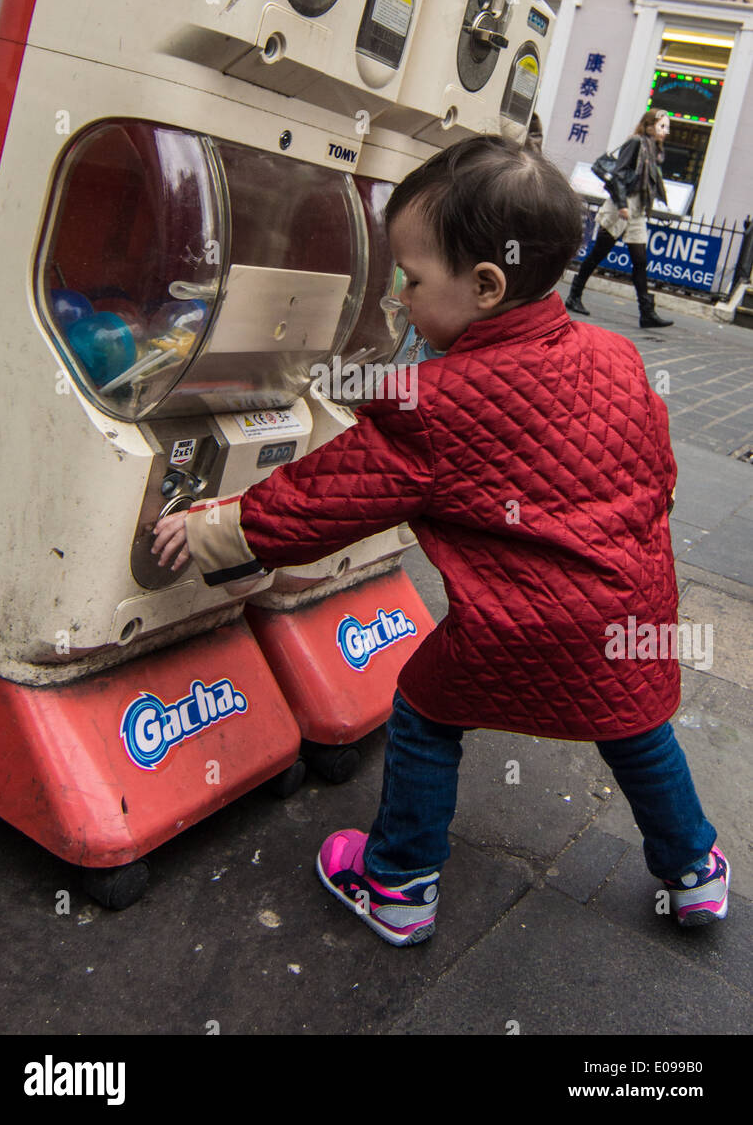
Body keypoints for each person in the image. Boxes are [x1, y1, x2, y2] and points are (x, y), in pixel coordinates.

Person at [152, 135, 728, 948]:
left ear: (485, 286)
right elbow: (656, 469)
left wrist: (214, 528)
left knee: (424, 713)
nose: (399, 297)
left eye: (411, 281)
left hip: (519, 628)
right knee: (633, 727)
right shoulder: (615, 354)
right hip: (630, 607)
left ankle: (396, 882)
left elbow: (325, 497)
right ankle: (693, 873)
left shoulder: (436, 402)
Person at [566, 109, 674, 328]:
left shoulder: (653, 149)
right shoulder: (635, 143)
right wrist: (623, 205)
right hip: (621, 205)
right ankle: (574, 295)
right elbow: (619, 174)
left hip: (638, 208)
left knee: (640, 261)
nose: (666, 131)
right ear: (649, 125)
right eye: (663, 126)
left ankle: (646, 312)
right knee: (599, 253)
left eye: (668, 127)